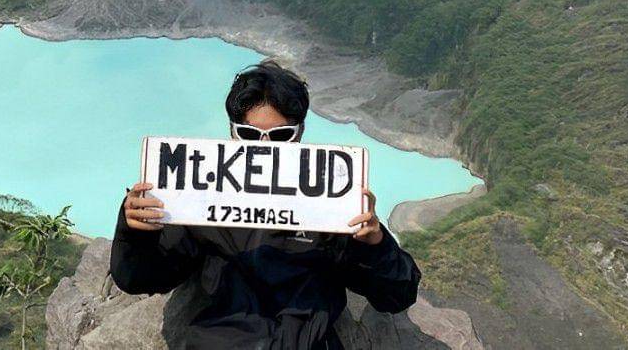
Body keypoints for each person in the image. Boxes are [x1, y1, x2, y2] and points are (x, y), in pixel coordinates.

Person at [110, 59, 421, 349]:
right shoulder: (197, 198)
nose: (264, 148)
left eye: (281, 136)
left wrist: (375, 245)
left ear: (300, 133)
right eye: (248, 134)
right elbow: (140, 278)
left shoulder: (331, 203)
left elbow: (397, 296)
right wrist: (136, 232)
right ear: (232, 132)